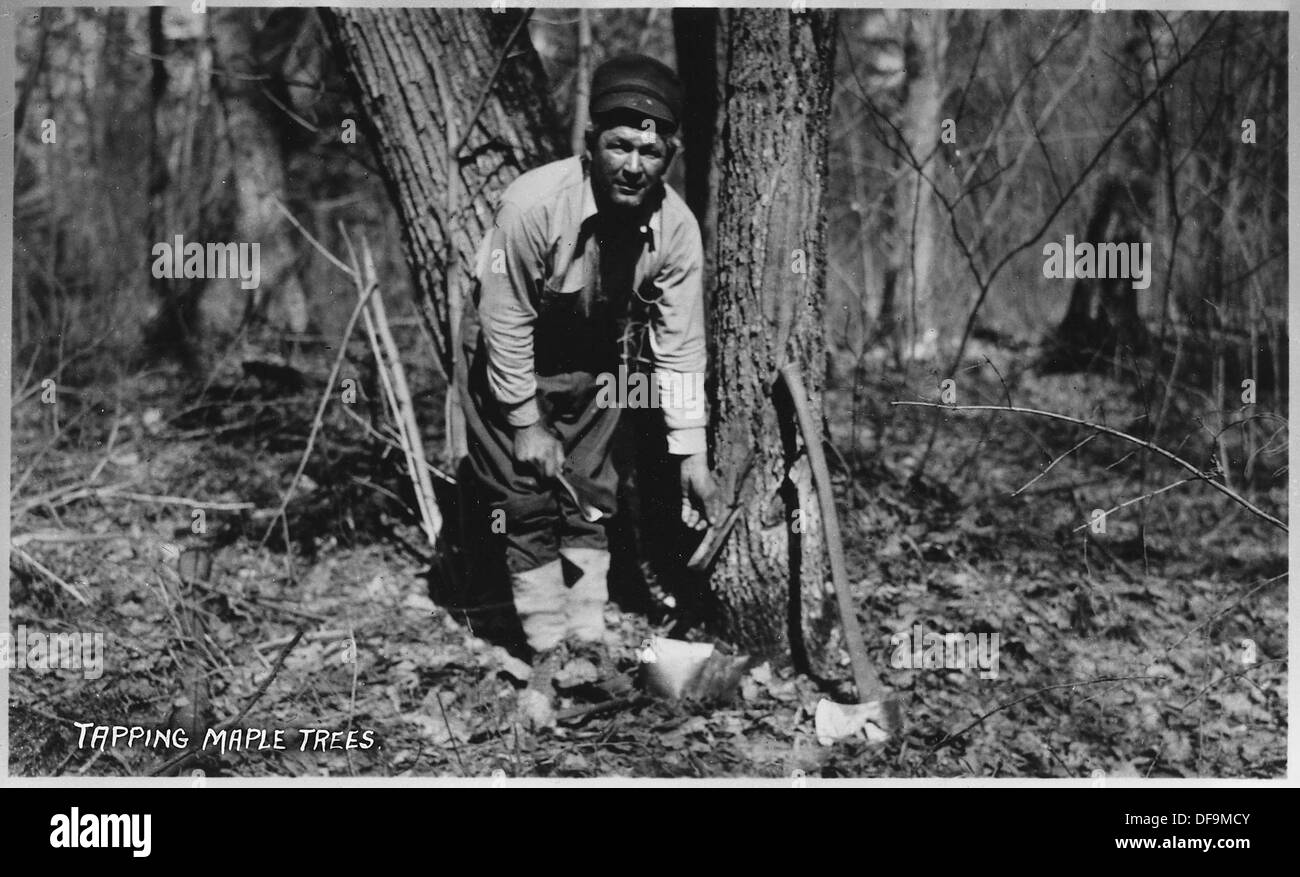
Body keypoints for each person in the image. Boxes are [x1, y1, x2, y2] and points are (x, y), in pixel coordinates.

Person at [457, 54, 722, 726]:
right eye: (620, 145)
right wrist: (525, 419)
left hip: (594, 354)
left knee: (591, 489)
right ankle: (548, 646)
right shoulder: (533, 204)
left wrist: (691, 450)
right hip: (505, 350)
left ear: (671, 155)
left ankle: (589, 638)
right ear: (591, 145)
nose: (634, 165)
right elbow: (505, 319)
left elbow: (681, 345)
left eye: (651, 150)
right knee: (526, 492)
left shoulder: (678, 231)